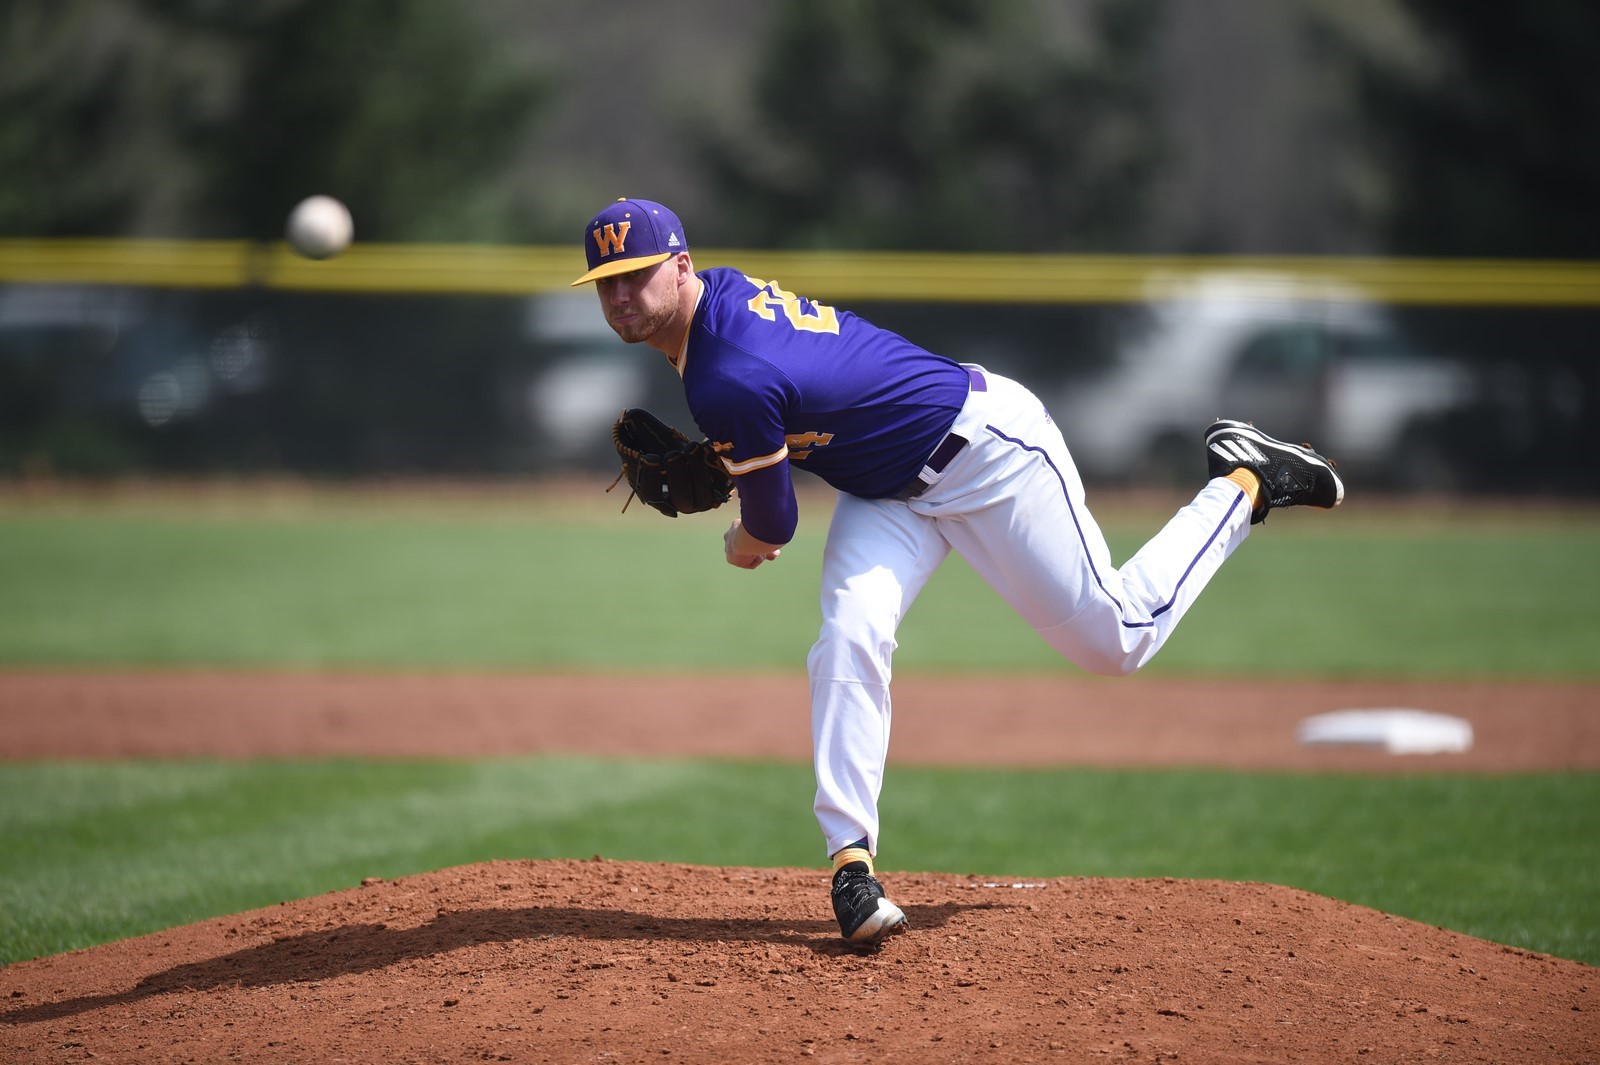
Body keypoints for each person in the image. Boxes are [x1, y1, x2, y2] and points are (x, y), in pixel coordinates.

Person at [571, 197, 1344, 948]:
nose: (621, 295)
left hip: (989, 453)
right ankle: (853, 867)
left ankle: (1244, 483)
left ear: (681, 265)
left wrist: (740, 536)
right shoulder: (720, 304)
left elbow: (775, 525)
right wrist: (747, 458)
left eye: (636, 274)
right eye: (605, 281)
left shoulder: (721, 374)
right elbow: (795, 393)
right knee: (850, 634)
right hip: (887, 489)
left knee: (1120, 637)